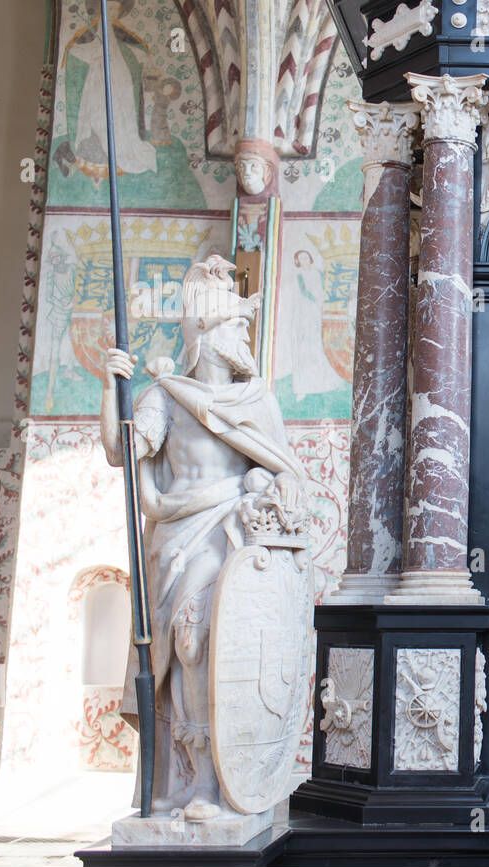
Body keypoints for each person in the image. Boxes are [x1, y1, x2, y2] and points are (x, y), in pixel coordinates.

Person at [100, 254, 305, 820]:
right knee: (184, 650)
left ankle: (214, 785)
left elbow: (285, 470)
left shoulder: (255, 400)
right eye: (236, 324)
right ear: (208, 334)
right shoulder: (164, 396)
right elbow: (123, 451)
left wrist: (271, 486)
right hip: (176, 533)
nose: (244, 334)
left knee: (210, 644)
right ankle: (187, 780)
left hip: (229, 533)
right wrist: (112, 385)